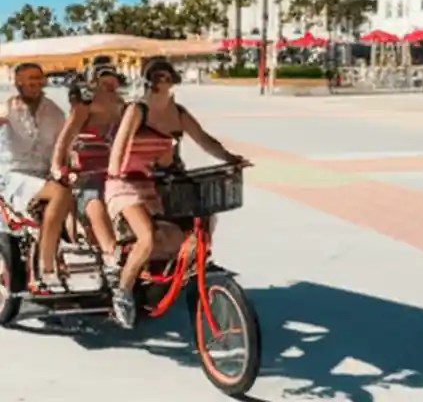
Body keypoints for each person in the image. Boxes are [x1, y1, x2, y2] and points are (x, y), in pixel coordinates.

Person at [106, 57, 246, 328]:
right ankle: (123, 292)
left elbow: (204, 139)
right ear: (149, 81)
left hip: (159, 183)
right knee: (146, 236)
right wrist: (116, 171)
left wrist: (231, 159)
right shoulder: (137, 110)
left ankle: (186, 271)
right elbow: (119, 147)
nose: (163, 81)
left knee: (202, 222)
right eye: (158, 77)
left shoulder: (178, 113)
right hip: (126, 184)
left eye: (167, 76)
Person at [0, 63, 75, 291]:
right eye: (29, 79)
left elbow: (65, 145)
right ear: (18, 82)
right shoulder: (7, 107)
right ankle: (46, 262)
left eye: (38, 78)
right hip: (13, 176)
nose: (35, 83)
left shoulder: (54, 111)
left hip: (45, 175)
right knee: (59, 193)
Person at [50, 59, 125, 267]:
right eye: (104, 83)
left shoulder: (124, 108)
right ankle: (111, 251)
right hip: (87, 171)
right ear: (94, 85)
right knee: (94, 198)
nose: (110, 86)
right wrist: (57, 166)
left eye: (112, 82)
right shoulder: (84, 109)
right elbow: (64, 139)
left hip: (116, 170)